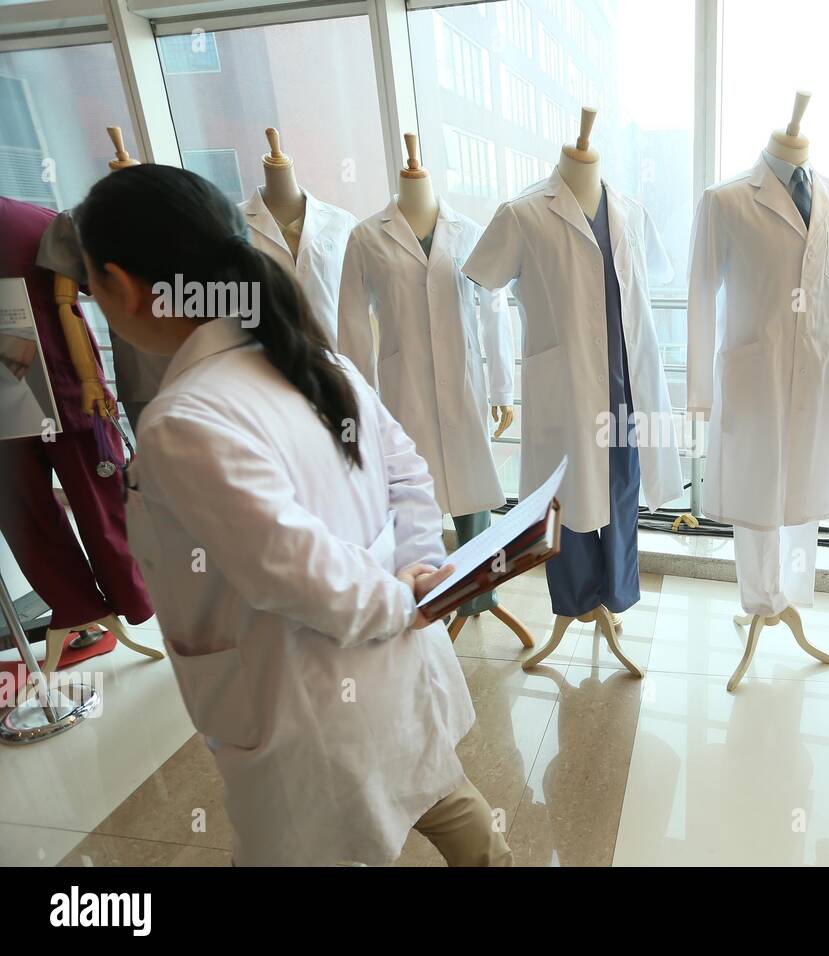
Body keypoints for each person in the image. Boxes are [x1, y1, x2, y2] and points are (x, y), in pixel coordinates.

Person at [75, 164, 510, 867]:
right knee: (439, 796)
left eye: (91, 284)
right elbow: (407, 479)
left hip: (305, 705)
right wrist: (416, 571)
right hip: (386, 666)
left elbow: (292, 570)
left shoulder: (183, 420)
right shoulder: (313, 361)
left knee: (330, 833)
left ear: (122, 286)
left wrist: (407, 593)